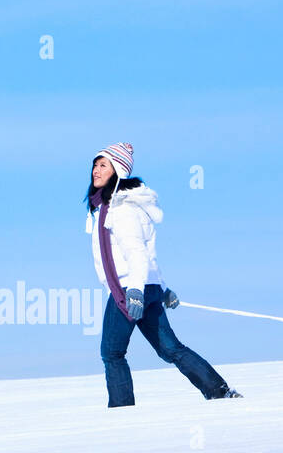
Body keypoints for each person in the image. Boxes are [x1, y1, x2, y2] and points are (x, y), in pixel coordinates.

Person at [84, 142, 242, 407]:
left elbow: (136, 252)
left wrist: (135, 290)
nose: (96, 170)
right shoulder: (115, 206)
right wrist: (162, 288)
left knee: (112, 353)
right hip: (146, 286)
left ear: (118, 172)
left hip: (129, 289)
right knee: (170, 348)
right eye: (95, 165)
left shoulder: (121, 209)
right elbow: (149, 253)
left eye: (103, 166)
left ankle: (122, 411)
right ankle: (218, 391)